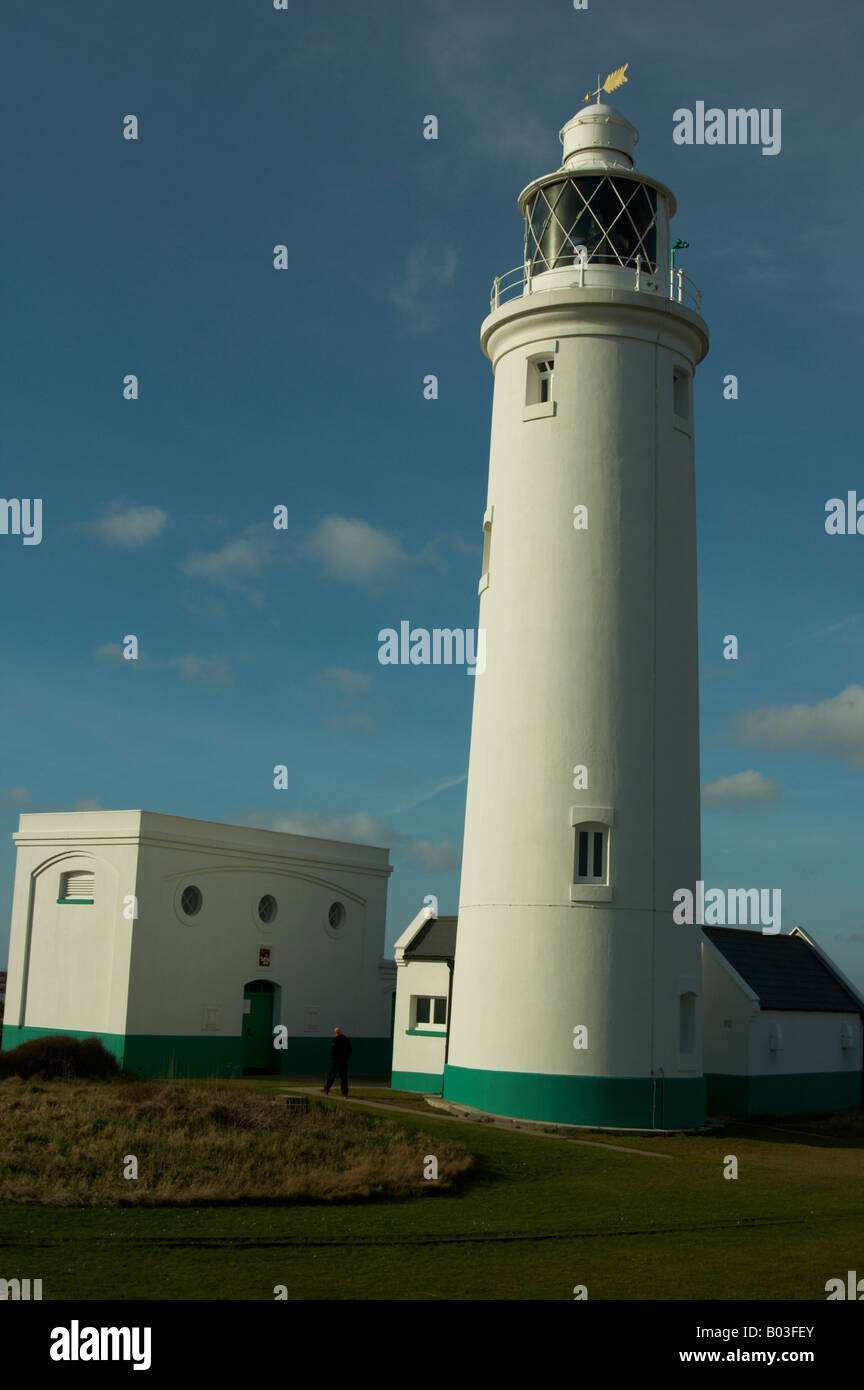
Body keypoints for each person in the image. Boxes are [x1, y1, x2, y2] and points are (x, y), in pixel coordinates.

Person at [322, 1026, 352, 1097]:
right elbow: (350, 1050)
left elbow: (333, 1051)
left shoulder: (335, 1040)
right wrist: (346, 1057)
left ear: (335, 1033)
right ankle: (344, 1092)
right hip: (344, 1061)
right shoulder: (346, 1040)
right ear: (340, 1032)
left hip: (336, 1061)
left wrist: (333, 1059)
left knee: (331, 1076)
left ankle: (326, 1090)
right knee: (344, 1078)